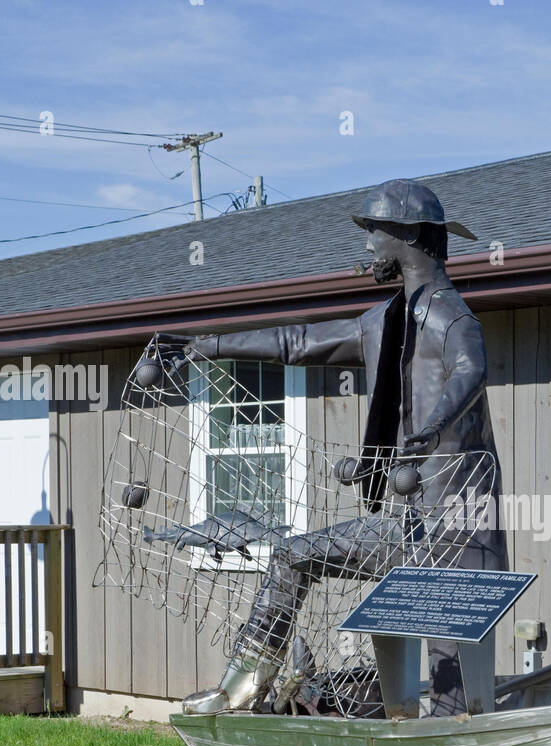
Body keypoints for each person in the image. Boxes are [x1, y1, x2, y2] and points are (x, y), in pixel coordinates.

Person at [173, 179, 508, 716]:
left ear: (404, 235)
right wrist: (205, 346)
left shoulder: (449, 314)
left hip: (456, 529)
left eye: (374, 231)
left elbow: (471, 368)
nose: (369, 244)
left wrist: (434, 425)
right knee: (292, 555)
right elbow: (297, 342)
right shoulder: (381, 323)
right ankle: (240, 687)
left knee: (452, 699)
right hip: (407, 525)